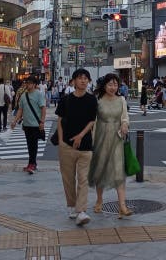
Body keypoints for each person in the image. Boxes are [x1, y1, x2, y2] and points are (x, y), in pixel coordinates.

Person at [55, 68, 98, 226]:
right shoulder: (65, 100)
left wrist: (81, 135)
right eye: (80, 78)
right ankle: (72, 205)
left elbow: (92, 120)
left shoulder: (92, 99)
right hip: (66, 145)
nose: (83, 80)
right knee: (68, 179)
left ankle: (81, 211)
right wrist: (60, 141)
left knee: (83, 179)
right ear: (73, 81)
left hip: (85, 146)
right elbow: (59, 121)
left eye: (86, 78)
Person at [89, 73, 133, 218]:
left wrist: (125, 124)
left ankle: (122, 206)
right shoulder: (98, 100)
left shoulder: (121, 99)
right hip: (100, 138)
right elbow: (92, 120)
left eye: (115, 84)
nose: (113, 87)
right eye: (110, 84)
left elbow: (125, 117)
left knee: (118, 171)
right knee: (100, 169)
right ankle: (99, 199)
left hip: (117, 138)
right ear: (104, 85)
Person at [11, 76, 46, 174]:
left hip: (35, 124)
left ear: (35, 84)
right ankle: (31, 163)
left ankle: (33, 164)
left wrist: (42, 122)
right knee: (29, 144)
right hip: (26, 124)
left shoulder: (39, 94)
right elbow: (20, 110)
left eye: (30, 83)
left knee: (33, 144)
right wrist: (14, 121)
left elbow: (43, 108)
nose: (28, 84)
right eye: (27, 82)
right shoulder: (23, 95)